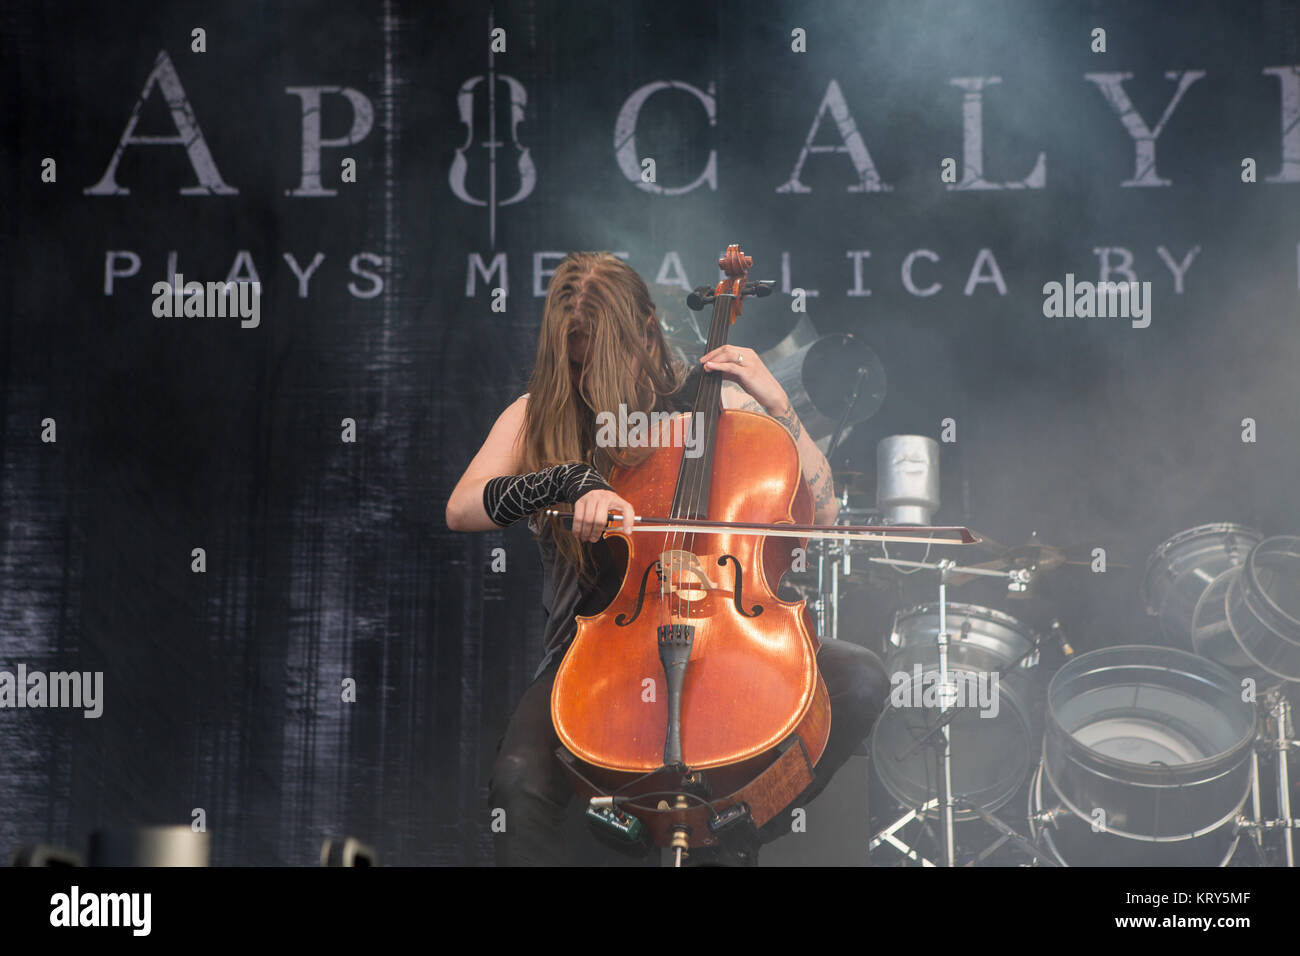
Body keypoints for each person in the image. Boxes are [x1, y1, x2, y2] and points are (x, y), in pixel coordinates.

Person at [445, 252, 888, 865]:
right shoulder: (541, 414)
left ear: (647, 329)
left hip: (724, 634)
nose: (590, 375)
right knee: (518, 780)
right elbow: (462, 507)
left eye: (604, 355)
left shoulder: (719, 405)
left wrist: (783, 411)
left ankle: (747, 815)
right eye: (576, 359)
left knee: (860, 678)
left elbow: (826, 514)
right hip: (598, 650)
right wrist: (564, 481)